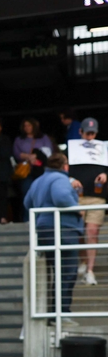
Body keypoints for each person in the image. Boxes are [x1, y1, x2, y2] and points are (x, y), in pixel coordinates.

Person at [26, 153, 84, 315]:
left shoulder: (38, 181)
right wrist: (78, 210)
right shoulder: (60, 179)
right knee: (67, 272)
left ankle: (56, 313)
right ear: (65, 166)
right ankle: (61, 313)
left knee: (59, 272)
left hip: (44, 229)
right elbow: (62, 198)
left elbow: (27, 202)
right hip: (62, 230)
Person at [66, 118, 108, 286]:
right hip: (77, 196)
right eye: (87, 133)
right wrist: (71, 180)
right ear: (80, 132)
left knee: (92, 231)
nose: (90, 136)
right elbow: (62, 169)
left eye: (93, 133)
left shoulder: (103, 148)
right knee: (79, 232)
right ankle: (83, 260)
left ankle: (90, 270)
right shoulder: (71, 149)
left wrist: (105, 175)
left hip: (97, 196)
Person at [13, 117, 54, 214]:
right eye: (25, 126)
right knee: (27, 193)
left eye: (29, 125)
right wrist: (29, 157)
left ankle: (43, 216)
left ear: (34, 126)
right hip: (26, 171)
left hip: (40, 171)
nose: (27, 127)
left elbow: (49, 152)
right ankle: (27, 218)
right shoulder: (19, 139)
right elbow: (16, 153)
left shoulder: (43, 138)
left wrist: (35, 156)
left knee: (42, 193)